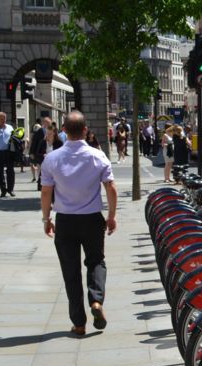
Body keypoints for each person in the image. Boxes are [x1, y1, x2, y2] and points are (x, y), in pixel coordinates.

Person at [39, 111, 117, 337]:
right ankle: (96, 300)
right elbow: (110, 187)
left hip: (65, 220)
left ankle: (79, 323)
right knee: (96, 261)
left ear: (63, 130)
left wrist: (46, 219)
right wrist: (111, 216)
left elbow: (46, 192)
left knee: (70, 271)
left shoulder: (52, 159)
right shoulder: (98, 156)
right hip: (92, 219)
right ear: (85, 131)